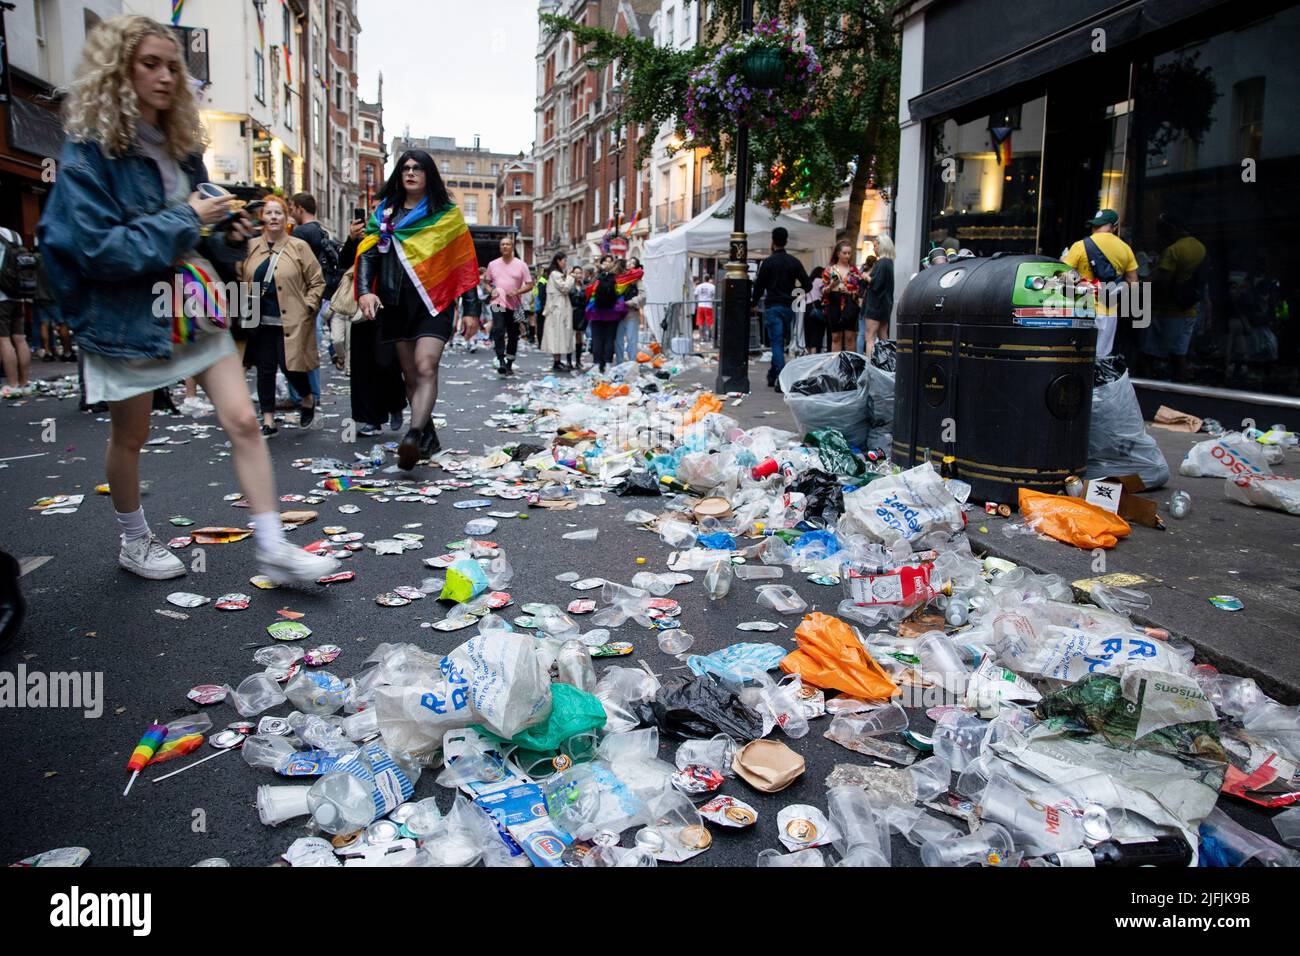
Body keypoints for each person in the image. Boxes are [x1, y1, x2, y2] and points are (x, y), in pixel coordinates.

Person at [37, 14, 338, 585]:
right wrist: (187, 217)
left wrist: (222, 231)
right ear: (118, 71)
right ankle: (134, 539)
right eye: (149, 63)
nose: (165, 76)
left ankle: (272, 545)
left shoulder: (180, 147)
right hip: (129, 312)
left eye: (172, 65)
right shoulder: (89, 154)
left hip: (190, 300)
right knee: (132, 435)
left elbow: (193, 231)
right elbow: (100, 249)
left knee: (245, 419)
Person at [356, 148, 478, 469]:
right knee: (410, 374)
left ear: (428, 176)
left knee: (426, 366)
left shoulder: (446, 214)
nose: (410, 173)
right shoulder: (385, 213)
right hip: (395, 304)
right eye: (405, 168)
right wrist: (364, 292)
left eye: (418, 169)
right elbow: (368, 253)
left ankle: (412, 435)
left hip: (434, 302)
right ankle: (427, 434)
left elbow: (464, 263)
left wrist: (472, 310)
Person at [238, 195, 324, 436]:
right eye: (269, 213)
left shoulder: (298, 247)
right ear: (262, 217)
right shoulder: (251, 246)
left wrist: (308, 306)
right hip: (260, 319)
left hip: (292, 320)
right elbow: (241, 277)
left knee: (291, 367)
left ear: (285, 217)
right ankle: (268, 420)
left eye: (278, 213)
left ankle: (307, 398)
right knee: (265, 368)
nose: (273, 217)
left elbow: (317, 281)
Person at [332, 216, 406, 437]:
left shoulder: (396, 234)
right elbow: (344, 262)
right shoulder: (363, 240)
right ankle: (370, 419)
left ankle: (395, 404)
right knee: (363, 365)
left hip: (389, 305)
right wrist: (352, 239)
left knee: (386, 361)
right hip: (361, 306)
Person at [1062, 208, 1138, 359]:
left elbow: (1064, 277)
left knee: (1078, 357)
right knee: (1101, 358)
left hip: (1082, 310)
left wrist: (1063, 260)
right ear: (1114, 227)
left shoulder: (1080, 246)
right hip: (1110, 312)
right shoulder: (1126, 249)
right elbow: (1133, 281)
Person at [1142, 214, 1207, 382]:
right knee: (1179, 355)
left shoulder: (1173, 250)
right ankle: (1182, 389)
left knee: (1150, 354)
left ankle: (1150, 391)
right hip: (1190, 311)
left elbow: (1163, 282)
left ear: (1173, 229)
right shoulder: (1200, 248)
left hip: (1168, 313)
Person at [751, 227, 811, 389]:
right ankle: (772, 374)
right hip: (788, 306)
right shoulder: (794, 262)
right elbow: (807, 285)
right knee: (781, 341)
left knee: (776, 342)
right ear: (786, 241)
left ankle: (781, 376)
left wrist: (753, 302)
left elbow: (759, 286)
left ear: (773, 241)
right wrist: (794, 293)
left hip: (773, 306)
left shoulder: (768, 262)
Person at [483, 236, 533, 377]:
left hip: (515, 305)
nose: (505, 246)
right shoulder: (493, 264)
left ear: (512, 247)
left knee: (513, 334)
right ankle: (501, 361)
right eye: (502, 244)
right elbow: (486, 282)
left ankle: (509, 363)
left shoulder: (521, 265)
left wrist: (518, 291)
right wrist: (490, 290)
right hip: (498, 302)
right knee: (498, 329)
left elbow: (530, 284)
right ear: (500, 248)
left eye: (508, 244)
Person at [0, 227, 33, 396]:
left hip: (1, 296)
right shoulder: (14, 235)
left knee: (4, 340)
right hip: (18, 294)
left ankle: (12, 384)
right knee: (20, 338)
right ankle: (24, 383)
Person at [824, 239, 863, 353]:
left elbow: (861, 290)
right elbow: (823, 290)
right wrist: (831, 286)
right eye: (844, 253)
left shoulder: (854, 271)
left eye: (849, 253)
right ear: (838, 254)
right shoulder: (830, 270)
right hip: (834, 302)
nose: (847, 255)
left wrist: (850, 292)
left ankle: (851, 366)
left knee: (850, 337)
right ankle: (835, 366)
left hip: (850, 304)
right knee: (836, 337)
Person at [540, 252, 576, 371]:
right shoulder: (555, 274)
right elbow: (565, 288)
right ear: (558, 261)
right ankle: (557, 361)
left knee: (560, 334)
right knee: (558, 333)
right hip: (558, 308)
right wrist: (570, 277)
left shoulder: (557, 274)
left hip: (561, 306)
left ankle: (558, 360)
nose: (565, 263)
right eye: (564, 261)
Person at [860, 235, 895, 357]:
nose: (874, 249)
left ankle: (870, 366)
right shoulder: (889, 262)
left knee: (869, 337)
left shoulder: (881, 263)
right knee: (883, 337)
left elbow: (876, 284)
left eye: (875, 245)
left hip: (875, 305)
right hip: (885, 304)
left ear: (882, 246)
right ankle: (889, 363)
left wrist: (866, 277)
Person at [587, 255, 622, 373]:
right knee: (609, 339)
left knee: (597, 339)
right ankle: (607, 364)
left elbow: (589, 291)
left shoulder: (596, 277)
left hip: (596, 312)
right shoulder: (618, 278)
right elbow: (620, 294)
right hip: (612, 313)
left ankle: (597, 364)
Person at [615, 256, 644, 364]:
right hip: (618, 313)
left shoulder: (637, 279)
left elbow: (643, 296)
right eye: (629, 262)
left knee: (632, 340)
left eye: (633, 263)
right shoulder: (618, 277)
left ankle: (632, 364)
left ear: (635, 267)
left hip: (631, 312)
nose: (629, 264)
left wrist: (628, 303)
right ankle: (619, 364)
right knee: (618, 340)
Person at [457, 268, 486, 352]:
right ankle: (469, 340)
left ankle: (472, 340)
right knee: (468, 324)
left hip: (477, 307)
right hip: (468, 307)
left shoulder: (480, 286)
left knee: (475, 324)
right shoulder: (471, 284)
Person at [568, 265, 588, 371]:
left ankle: (578, 360)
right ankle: (569, 360)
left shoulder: (584, 286)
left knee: (579, 336)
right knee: (569, 337)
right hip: (571, 311)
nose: (578, 275)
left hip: (581, 313)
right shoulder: (569, 286)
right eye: (575, 273)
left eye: (579, 273)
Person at [804, 266, 826, 354]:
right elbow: (824, 291)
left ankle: (809, 359)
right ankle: (815, 358)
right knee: (816, 334)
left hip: (807, 308)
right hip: (816, 307)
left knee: (808, 334)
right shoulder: (819, 280)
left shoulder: (808, 282)